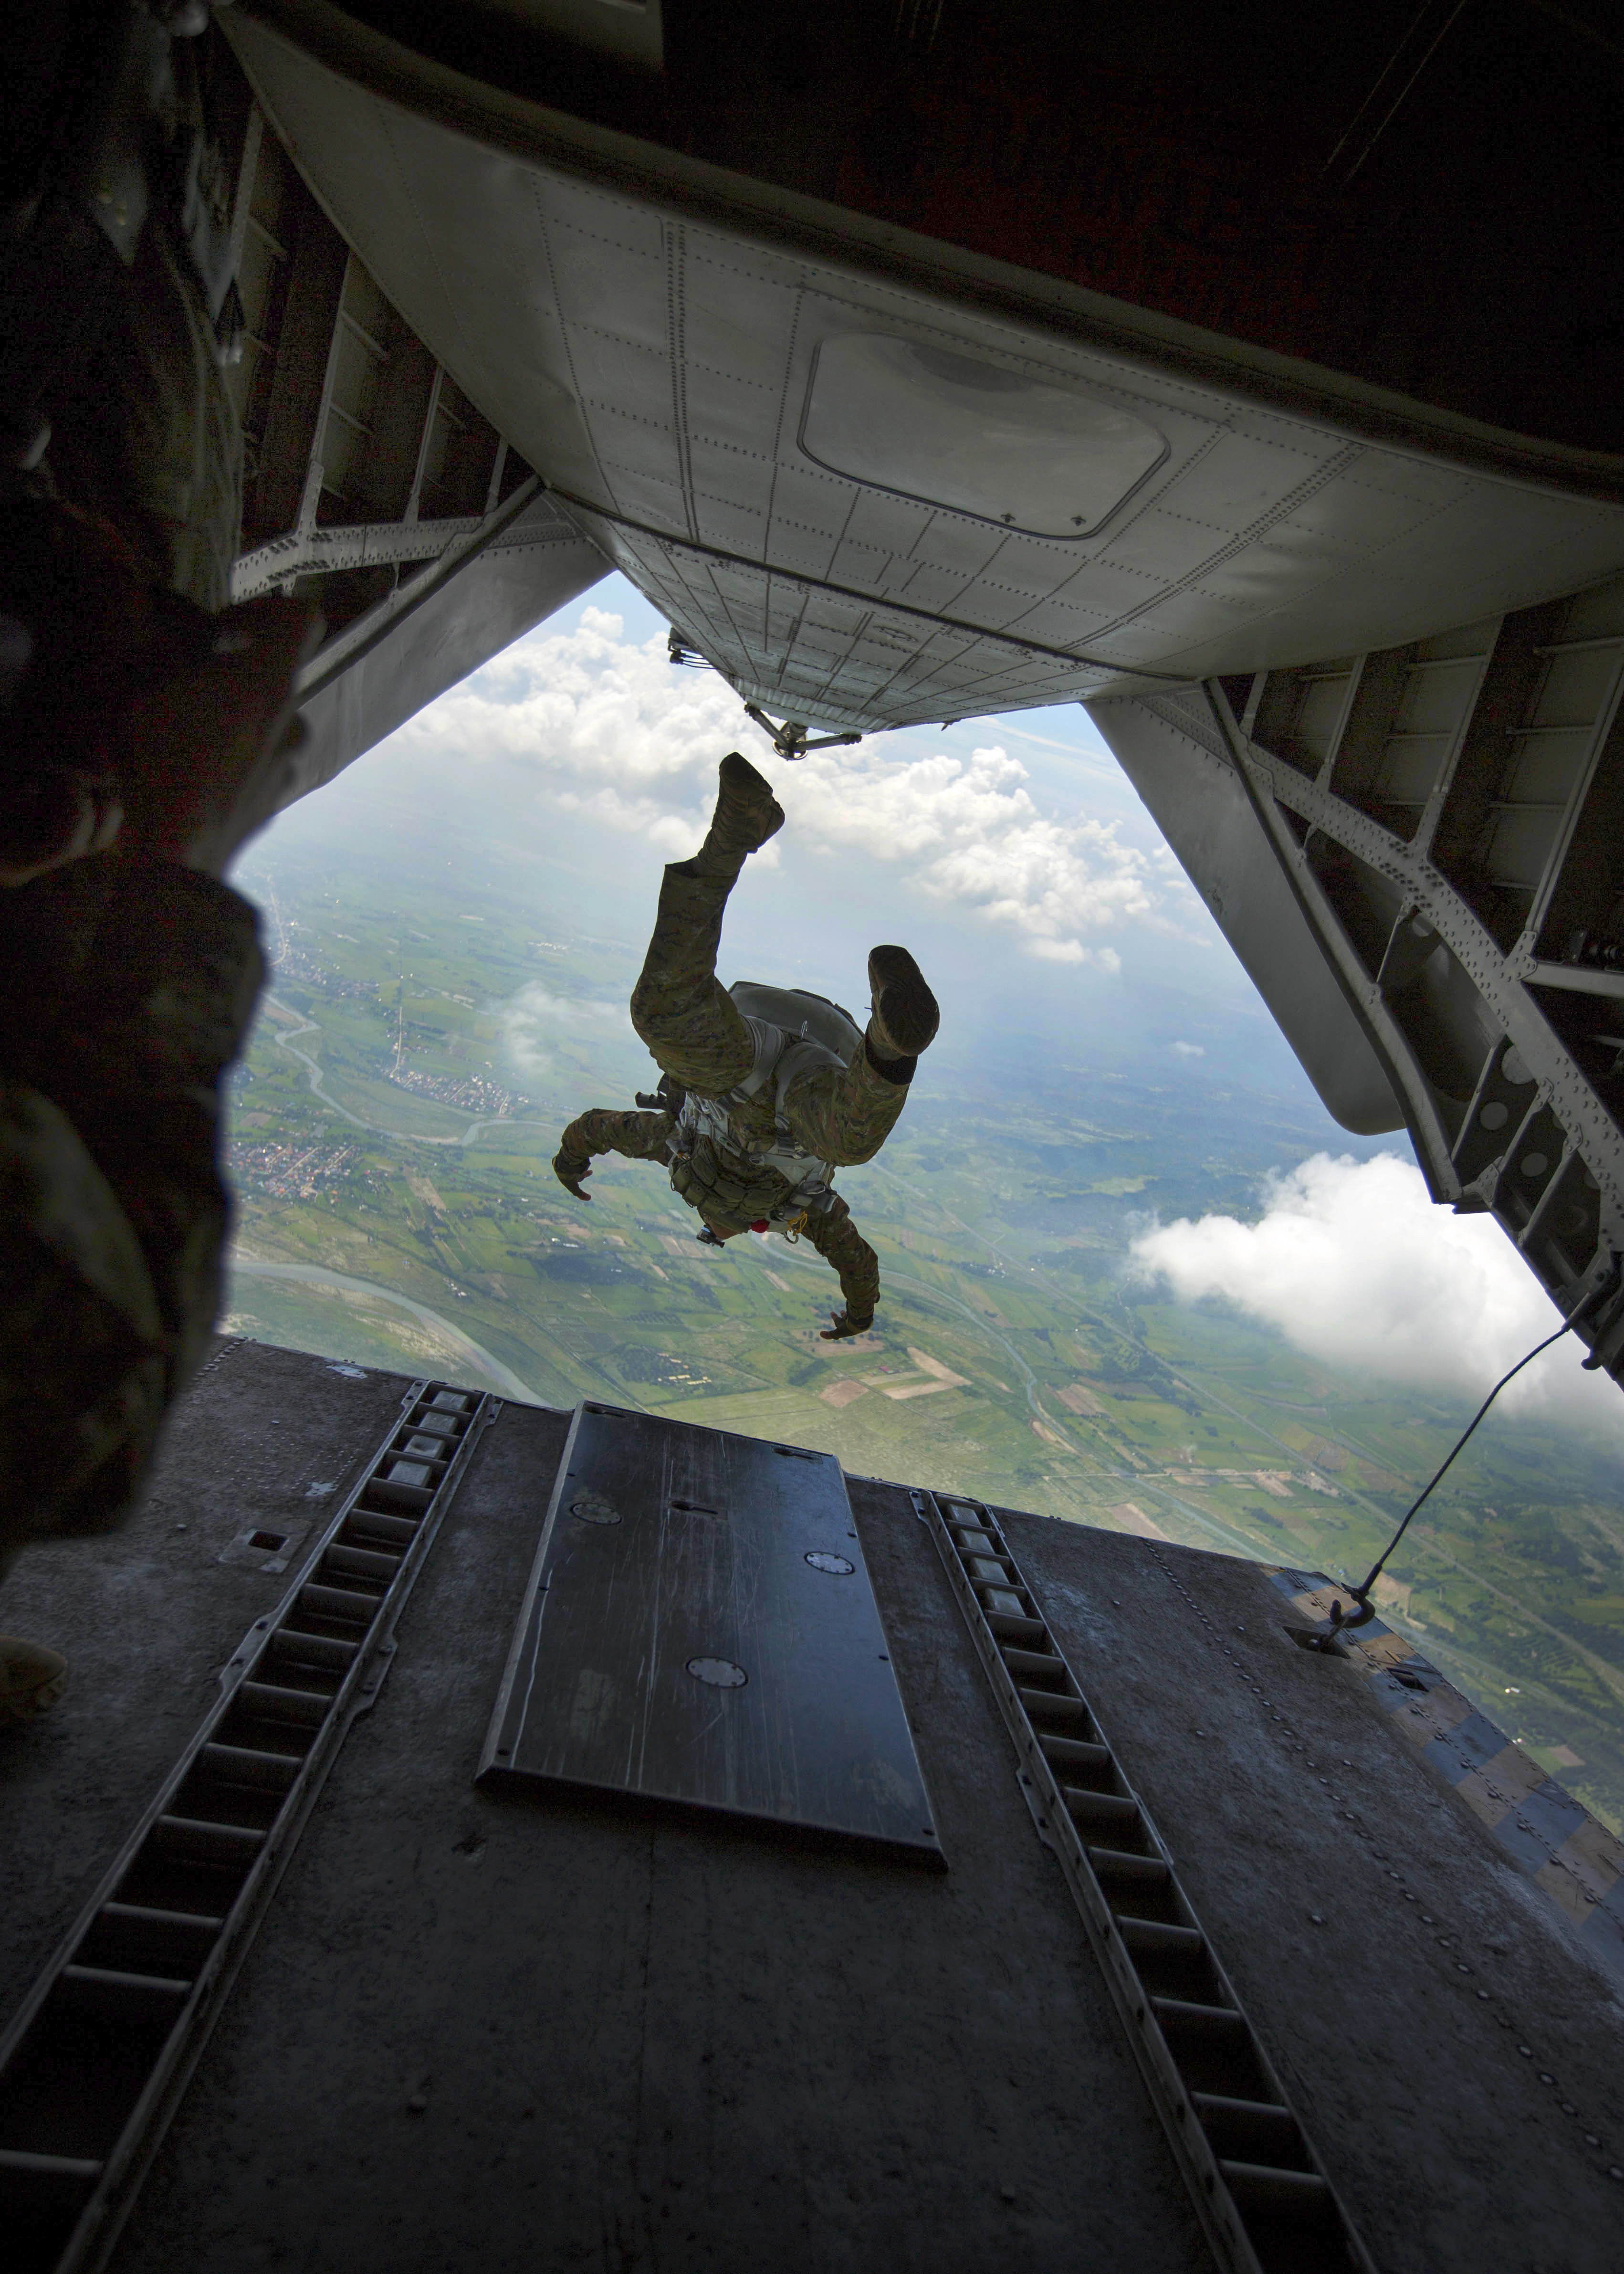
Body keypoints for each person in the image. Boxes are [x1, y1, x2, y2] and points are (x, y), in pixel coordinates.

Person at [553, 752, 938, 1339]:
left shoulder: (673, 1142)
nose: (720, 1229)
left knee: (661, 1015)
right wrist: (859, 1313)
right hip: (810, 1075)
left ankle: (734, 833)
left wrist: (572, 1158)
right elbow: (857, 1264)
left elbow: (598, 1131)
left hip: (743, 1062)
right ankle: (888, 1040)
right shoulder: (803, 1210)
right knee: (847, 1141)